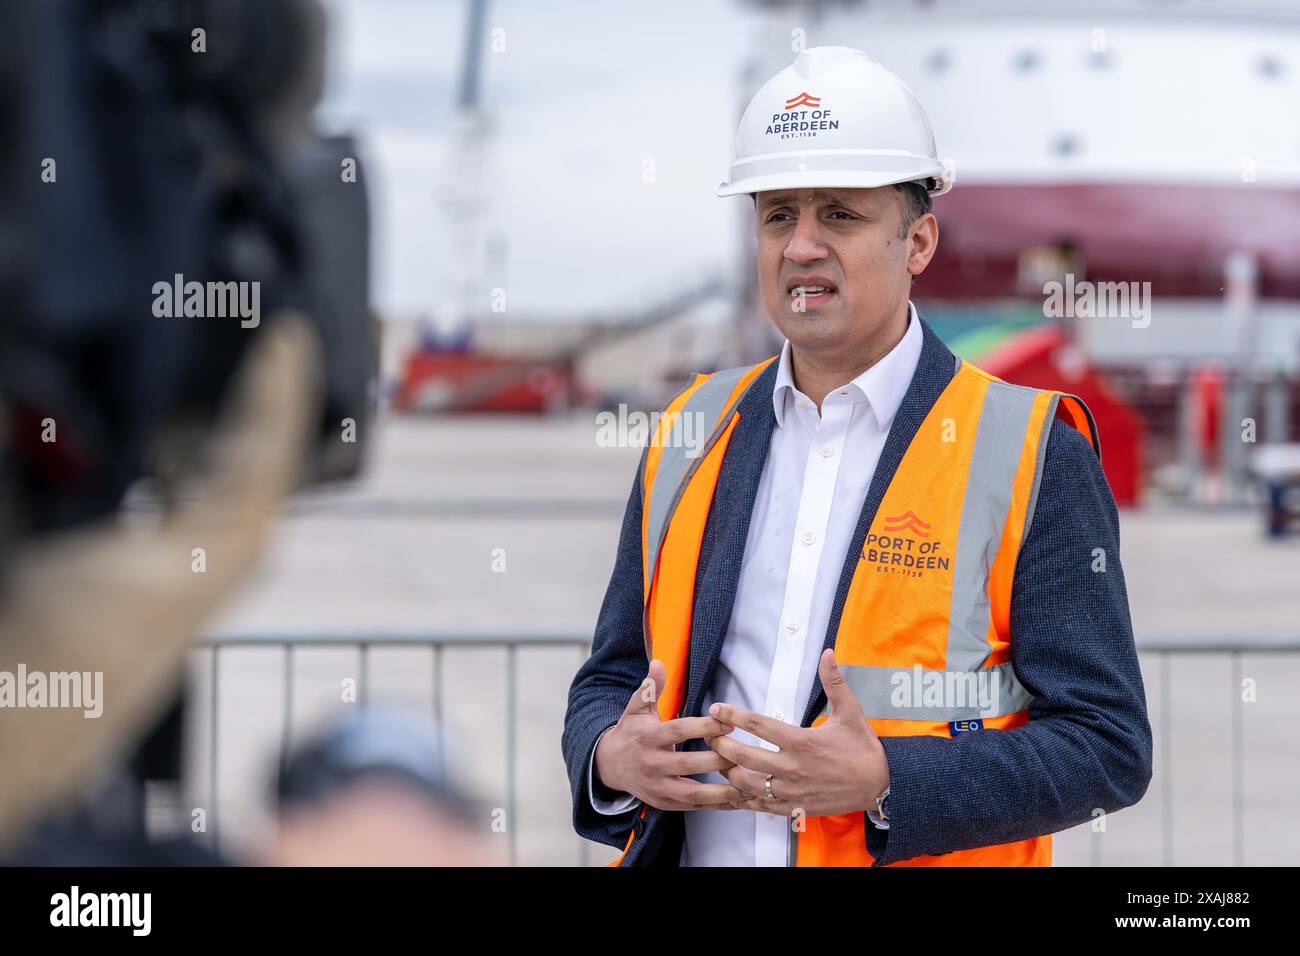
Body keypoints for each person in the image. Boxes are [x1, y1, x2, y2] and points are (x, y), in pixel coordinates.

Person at [562, 46, 1152, 867]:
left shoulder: (1031, 448)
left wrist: (886, 779)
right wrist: (608, 758)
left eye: (839, 214)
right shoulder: (691, 429)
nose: (801, 246)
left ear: (917, 242)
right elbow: (611, 676)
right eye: (777, 215)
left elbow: (1107, 746)